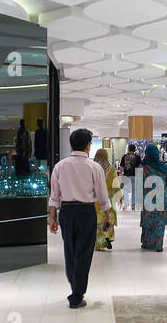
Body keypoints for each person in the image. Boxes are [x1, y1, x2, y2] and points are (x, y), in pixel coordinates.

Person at [48, 128, 110, 309]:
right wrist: (107, 216)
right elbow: (102, 196)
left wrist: (52, 218)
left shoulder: (60, 166)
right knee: (84, 253)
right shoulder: (94, 167)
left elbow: (54, 195)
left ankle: (74, 283)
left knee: (70, 250)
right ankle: (77, 293)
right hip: (86, 213)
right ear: (88, 145)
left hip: (66, 212)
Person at [139, 143, 167, 252]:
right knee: (159, 222)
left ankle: (147, 243)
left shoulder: (142, 167)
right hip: (161, 199)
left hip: (147, 199)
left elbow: (139, 186)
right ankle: (159, 245)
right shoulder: (164, 167)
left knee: (148, 222)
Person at [93, 148, 118, 251]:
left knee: (98, 221)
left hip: (96, 200)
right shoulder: (111, 169)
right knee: (108, 219)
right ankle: (107, 236)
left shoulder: (92, 168)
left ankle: (99, 241)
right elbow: (115, 185)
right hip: (109, 200)